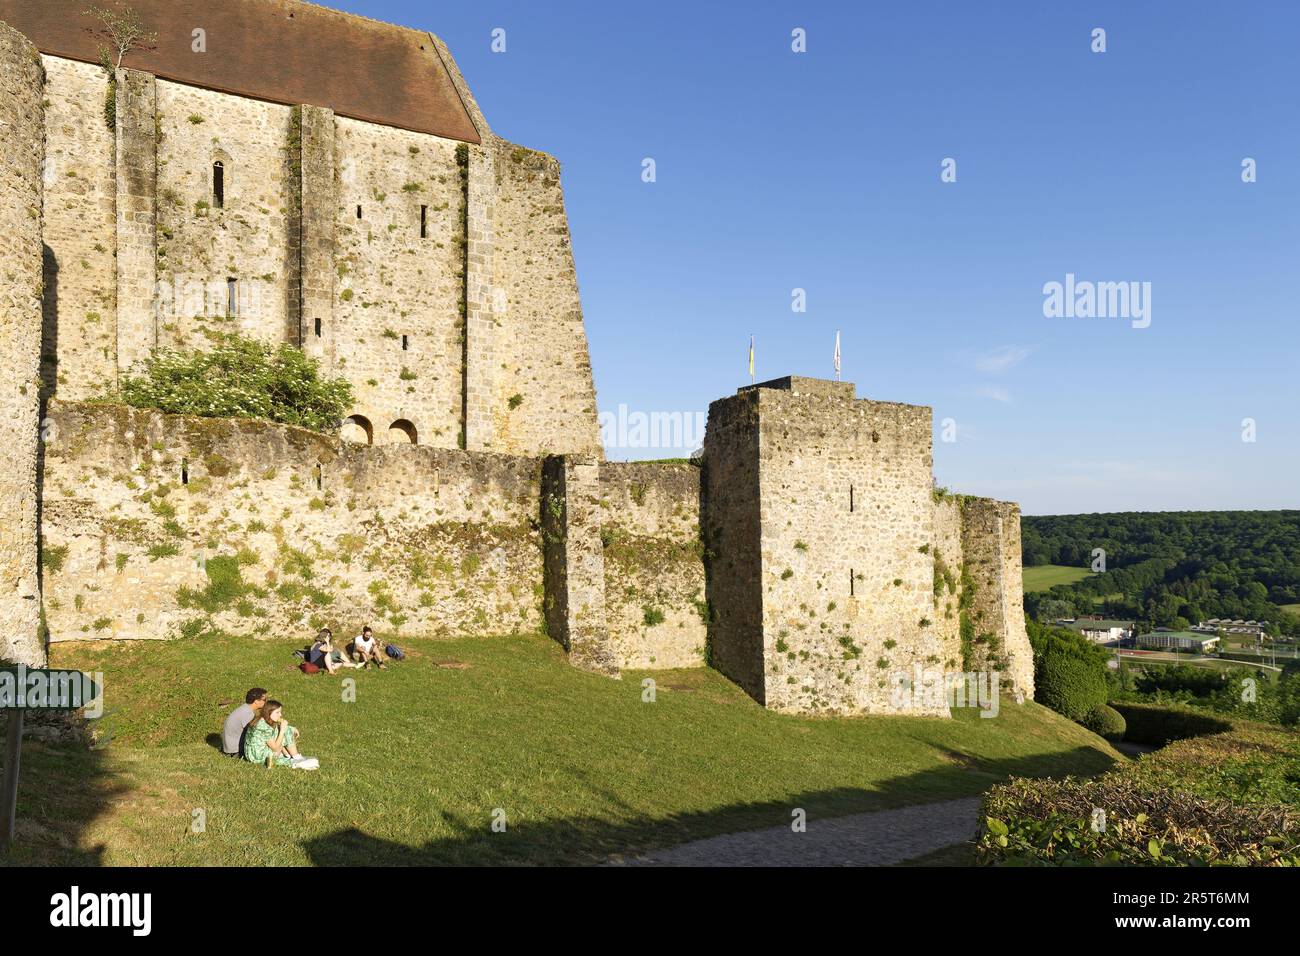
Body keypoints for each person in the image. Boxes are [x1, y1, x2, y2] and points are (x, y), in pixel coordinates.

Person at [243, 699, 318, 770]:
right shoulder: (263, 727)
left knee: (286, 729)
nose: (280, 715)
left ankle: (294, 756)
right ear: (269, 712)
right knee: (284, 731)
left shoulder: (261, 719)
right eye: (277, 712)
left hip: (253, 752)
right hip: (257, 756)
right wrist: (282, 730)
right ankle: (295, 759)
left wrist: (291, 728)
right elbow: (275, 748)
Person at [221, 687, 267, 757]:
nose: (266, 702)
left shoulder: (245, 708)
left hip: (229, 747)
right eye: (264, 700)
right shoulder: (247, 713)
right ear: (256, 701)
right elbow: (255, 733)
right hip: (235, 751)